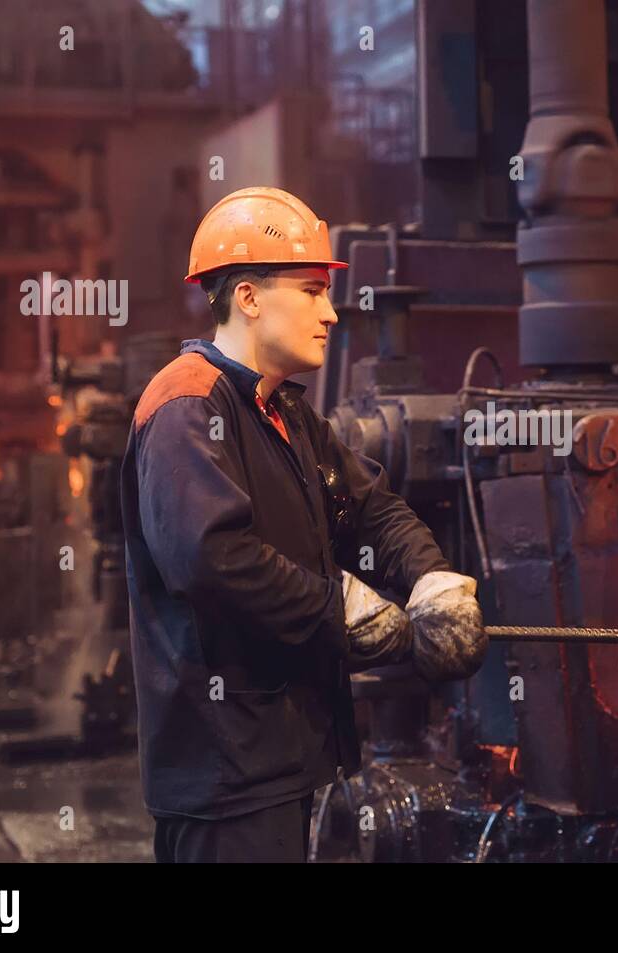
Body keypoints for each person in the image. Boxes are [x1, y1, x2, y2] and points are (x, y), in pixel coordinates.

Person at [120, 186, 486, 862]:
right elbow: (213, 558)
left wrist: (432, 580)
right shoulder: (186, 405)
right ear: (250, 297)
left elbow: (371, 508)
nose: (330, 313)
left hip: (284, 760)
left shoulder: (284, 414)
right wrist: (345, 611)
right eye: (313, 291)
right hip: (225, 774)